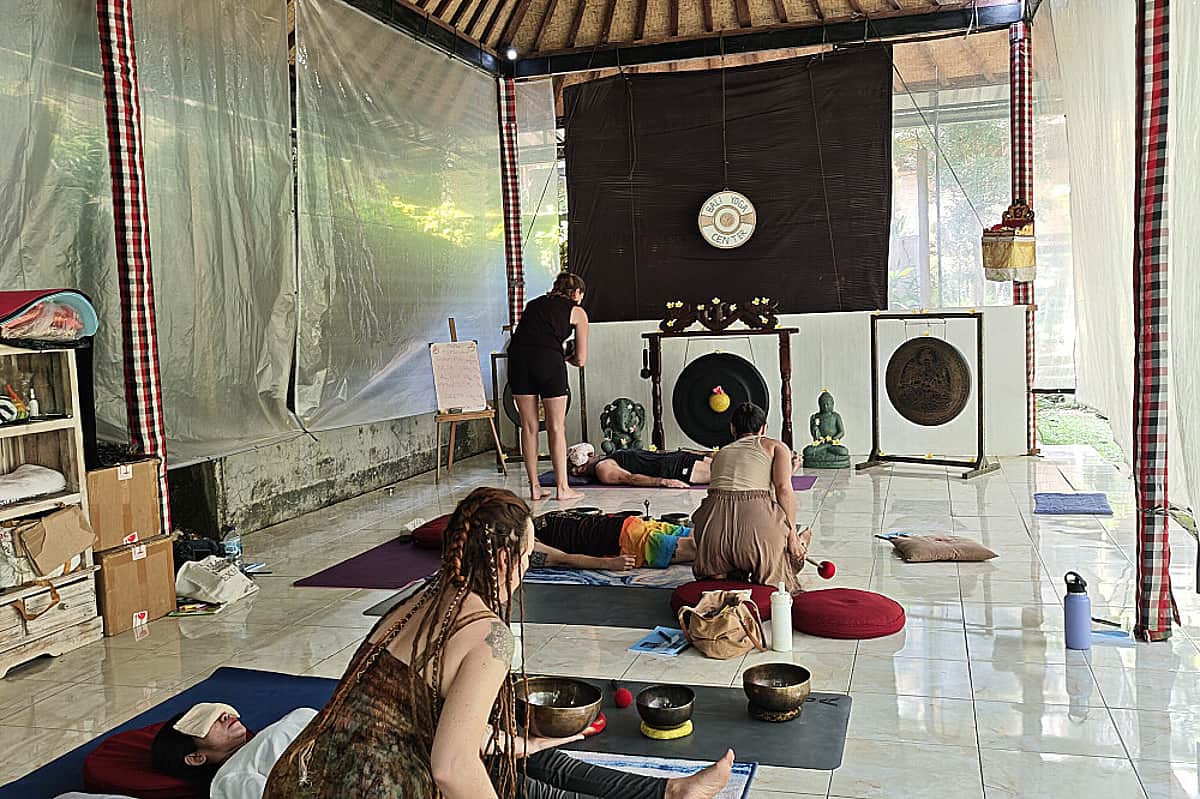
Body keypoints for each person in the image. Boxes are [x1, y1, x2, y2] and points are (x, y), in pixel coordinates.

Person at [263, 486, 734, 799]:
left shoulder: (415, 604)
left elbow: (413, 717)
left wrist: (513, 741)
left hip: (300, 775)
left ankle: (669, 792)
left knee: (527, 754)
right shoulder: (487, 634)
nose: (529, 566)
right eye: (528, 555)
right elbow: (449, 767)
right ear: (505, 557)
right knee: (506, 781)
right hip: (369, 786)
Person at [691, 403, 813, 592]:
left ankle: (722, 572)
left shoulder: (720, 453)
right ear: (763, 428)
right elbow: (783, 489)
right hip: (756, 531)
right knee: (781, 574)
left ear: (732, 428)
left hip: (712, 535)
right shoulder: (775, 446)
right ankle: (801, 540)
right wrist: (793, 539)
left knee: (720, 573)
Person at [508, 273, 589, 503]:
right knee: (556, 427)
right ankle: (562, 488)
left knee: (529, 426)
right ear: (577, 293)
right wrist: (568, 357)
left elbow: (529, 335)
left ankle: (535, 487)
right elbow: (581, 359)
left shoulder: (534, 305)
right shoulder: (577, 311)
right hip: (548, 361)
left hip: (518, 361)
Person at [150, 703, 317, 799]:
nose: (224, 716)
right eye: (205, 723)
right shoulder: (230, 779)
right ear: (196, 757)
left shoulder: (282, 724)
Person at [533, 510, 696, 571]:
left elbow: (564, 559)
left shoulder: (528, 537)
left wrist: (608, 564)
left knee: (696, 541)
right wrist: (609, 564)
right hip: (626, 532)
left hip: (627, 534)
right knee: (696, 542)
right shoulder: (538, 525)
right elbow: (564, 559)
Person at [568, 443, 712, 488]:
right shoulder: (602, 469)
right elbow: (630, 478)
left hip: (677, 458)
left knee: (728, 465)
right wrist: (663, 481)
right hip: (673, 468)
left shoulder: (609, 458)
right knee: (727, 474)